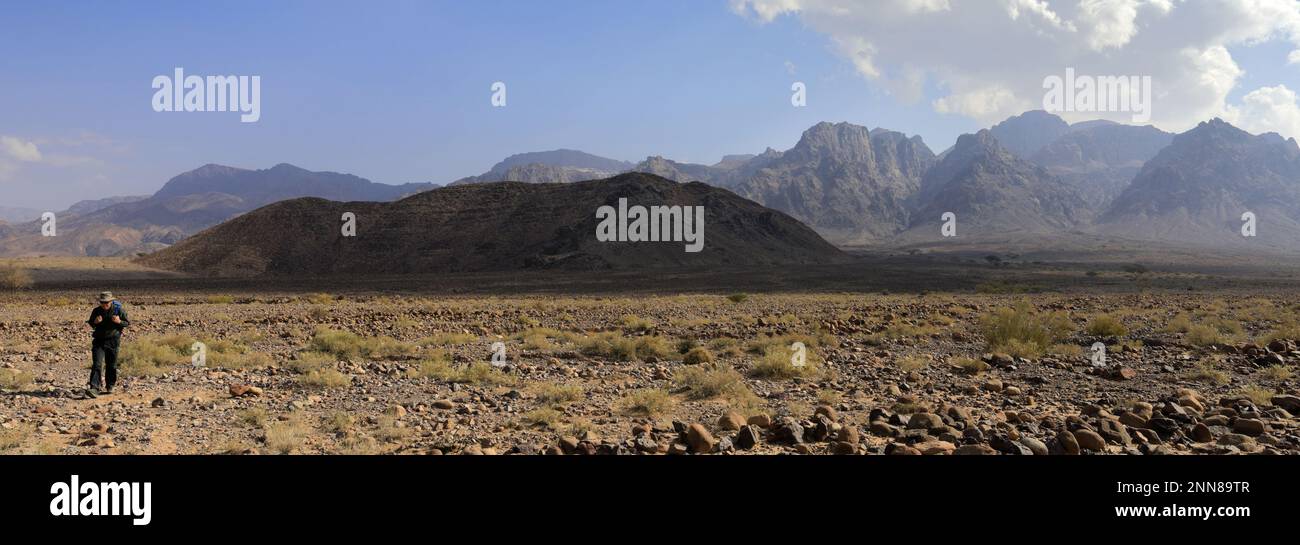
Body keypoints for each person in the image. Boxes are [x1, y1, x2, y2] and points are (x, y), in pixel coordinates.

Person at [86, 291, 129, 396]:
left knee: (111, 365)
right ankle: (94, 388)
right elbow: (91, 323)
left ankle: (110, 385)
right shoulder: (96, 311)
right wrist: (95, 322)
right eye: (102, 302)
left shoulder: (118, 310)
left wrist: (119, 322)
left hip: (113, 341)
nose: (104, 304)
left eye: (106, 302)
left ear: (111, 301)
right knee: (97, 364)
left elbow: (127, 323)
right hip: (99, 341)